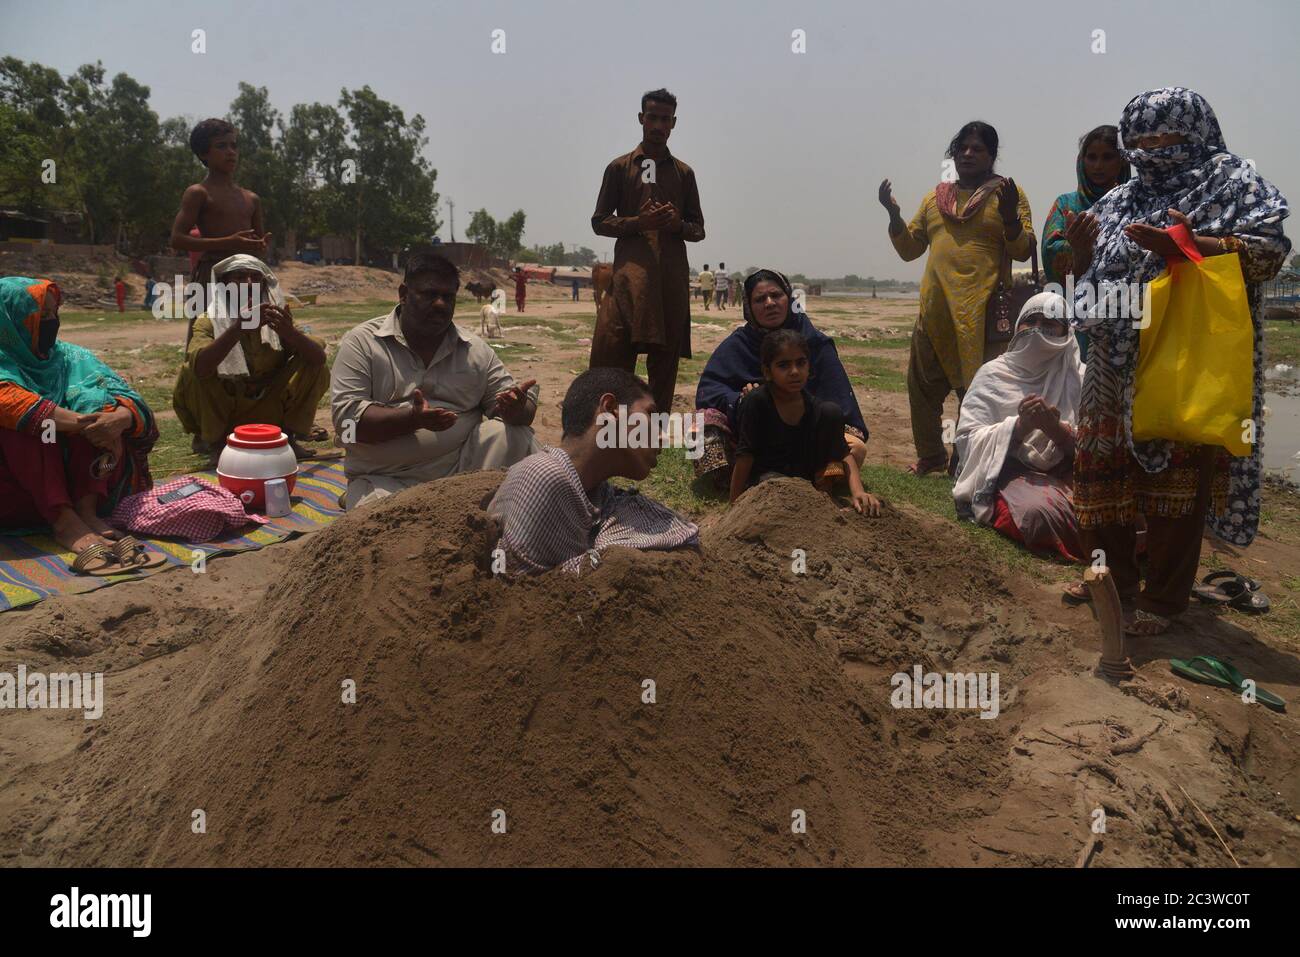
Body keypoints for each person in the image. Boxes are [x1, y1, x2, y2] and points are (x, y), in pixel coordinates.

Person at [1065, 87, 1291, 635]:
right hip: (1114, 360)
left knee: (1176, 474)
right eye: (1137, 139)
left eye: (1161, 136)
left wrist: (1188, 247)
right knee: (1104, 469)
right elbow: (1089, 279)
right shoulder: (1125, 195)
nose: (1148, 148)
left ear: (1193, 132)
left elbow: (1269, 252)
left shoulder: (1232, 181)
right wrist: (1081, 253)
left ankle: (1165, 600)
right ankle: (1113, 582)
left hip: (1187, 354)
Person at [880, 120, 1035, 475]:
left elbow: (1024, 249)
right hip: (934, 312)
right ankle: (932, 455)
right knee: (921, 386)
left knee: (980, 388)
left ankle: (970, 456)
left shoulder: (1009, 195)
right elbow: (909, 250)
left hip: (983, 314)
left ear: (992, 156)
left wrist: (1010, 216)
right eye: (962, 148)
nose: (967, 154)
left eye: (977, 148)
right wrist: (893, 216)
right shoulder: (935, 199)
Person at [331, 250, 541, 510]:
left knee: (514, 435)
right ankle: (360, 495)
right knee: (391, 529)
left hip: (465, 471)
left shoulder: (474, 349)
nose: (440, 304)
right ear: (404, 294)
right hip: (388, 479)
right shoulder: (363, 343)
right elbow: (347, 424)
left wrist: (517, 408)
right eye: (430, 294)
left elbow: (513, 408)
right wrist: (412, 419)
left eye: (448, 297)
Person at [0, 277, 158, 574]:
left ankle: (87, 509)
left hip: (77, 484)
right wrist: (81, 424)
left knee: (97, 404)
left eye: (53, 314)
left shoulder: (71, 357)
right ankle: (64, 521)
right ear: (12, 322)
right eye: (40, 317)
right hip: (15, 492)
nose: (51, 322)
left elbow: (133, 403)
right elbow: (11, 403)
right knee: (36, 424)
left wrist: (116, 419)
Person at [487, 368, 699, 575]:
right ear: (611, 409)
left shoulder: (597, 494)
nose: (661, 435)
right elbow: (527, 589)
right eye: (650, 415)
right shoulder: (543, 476)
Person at [694, 268, 868, 485]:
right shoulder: (738, 345)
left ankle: (819, 478)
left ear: (789, 298)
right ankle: (734, 481)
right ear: (749, 306)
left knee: (855, 448)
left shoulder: (815, 343)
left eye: (776, 295)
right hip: (755, 439)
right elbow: (708, 391)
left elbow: (838, 405)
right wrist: (739, 400)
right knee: (700, 424)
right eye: (760, 299)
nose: (769, 303)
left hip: (809, 438)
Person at [590, 88, 705, 413]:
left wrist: (675, 225)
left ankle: (650, 443)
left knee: (663, 372)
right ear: (641, 118)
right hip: (628, 284)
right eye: (652, 117)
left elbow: (699, 229)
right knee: (609, 364)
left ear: (673, 123)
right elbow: (599, 222)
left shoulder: (684, 174)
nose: (658, 124)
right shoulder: (619, 168)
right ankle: (605, 437)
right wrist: (639, 222)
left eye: (664, 119)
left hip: (670, 286)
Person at [953, 293, 1084, 560]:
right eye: (1031, 321)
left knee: (1121, 507)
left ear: (1066, 331)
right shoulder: (993, 374)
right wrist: (1019, 427)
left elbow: (1100, 442)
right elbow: (967, 439)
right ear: (1017, 326)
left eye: (1049, 323)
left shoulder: (1080, 376)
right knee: (1037, 513)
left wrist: (1058, 431)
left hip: (1073, 469)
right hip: (1011, 469)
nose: (1038, 329)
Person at [172, 255, 330, 466]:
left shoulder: (277, 317)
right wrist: (237, 329)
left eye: (255, 278)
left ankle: (287, 438)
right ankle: (218, 445)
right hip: (227, 409)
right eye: (239, 277)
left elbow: (318, 358)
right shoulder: (208, 320)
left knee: (314, 364)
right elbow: (200, 368)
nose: (248, 284)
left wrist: (288, 332)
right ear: (225, 285)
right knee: (191, 371)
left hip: (270, 404)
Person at [730, 330, 881, 516]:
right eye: (784, 365)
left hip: (809, 484)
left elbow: (844, 455)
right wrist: (734, 505)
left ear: (809, 367)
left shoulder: (824, 412)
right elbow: (745, 456)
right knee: (775, 484)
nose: (794, 371)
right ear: (768, 372)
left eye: (801, 363)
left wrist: (857, 492)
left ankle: (822, 498)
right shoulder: (757, 403)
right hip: (767, 483)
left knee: (834, 468)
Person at [169, 118, 269, 348]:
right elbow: (177, 238)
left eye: (234, 145)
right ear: (204, 154)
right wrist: (229, 242)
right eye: (222, 146)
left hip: (248, 279)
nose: (231, 152)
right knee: (206, 340)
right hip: (212, 277)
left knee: (250, 343)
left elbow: (260, 243)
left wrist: (260, 247)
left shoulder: (251, 198)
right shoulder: (198, 193)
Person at [1041, 125, 1131, 360]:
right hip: (1078, 307)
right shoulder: (1066, 204)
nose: (1098, 165)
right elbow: (1051, 250)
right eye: (1091, 157)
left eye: (1107, 157)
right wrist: (1078, 248)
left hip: (1127, 307)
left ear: (1122, 160)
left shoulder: (1134, 203)